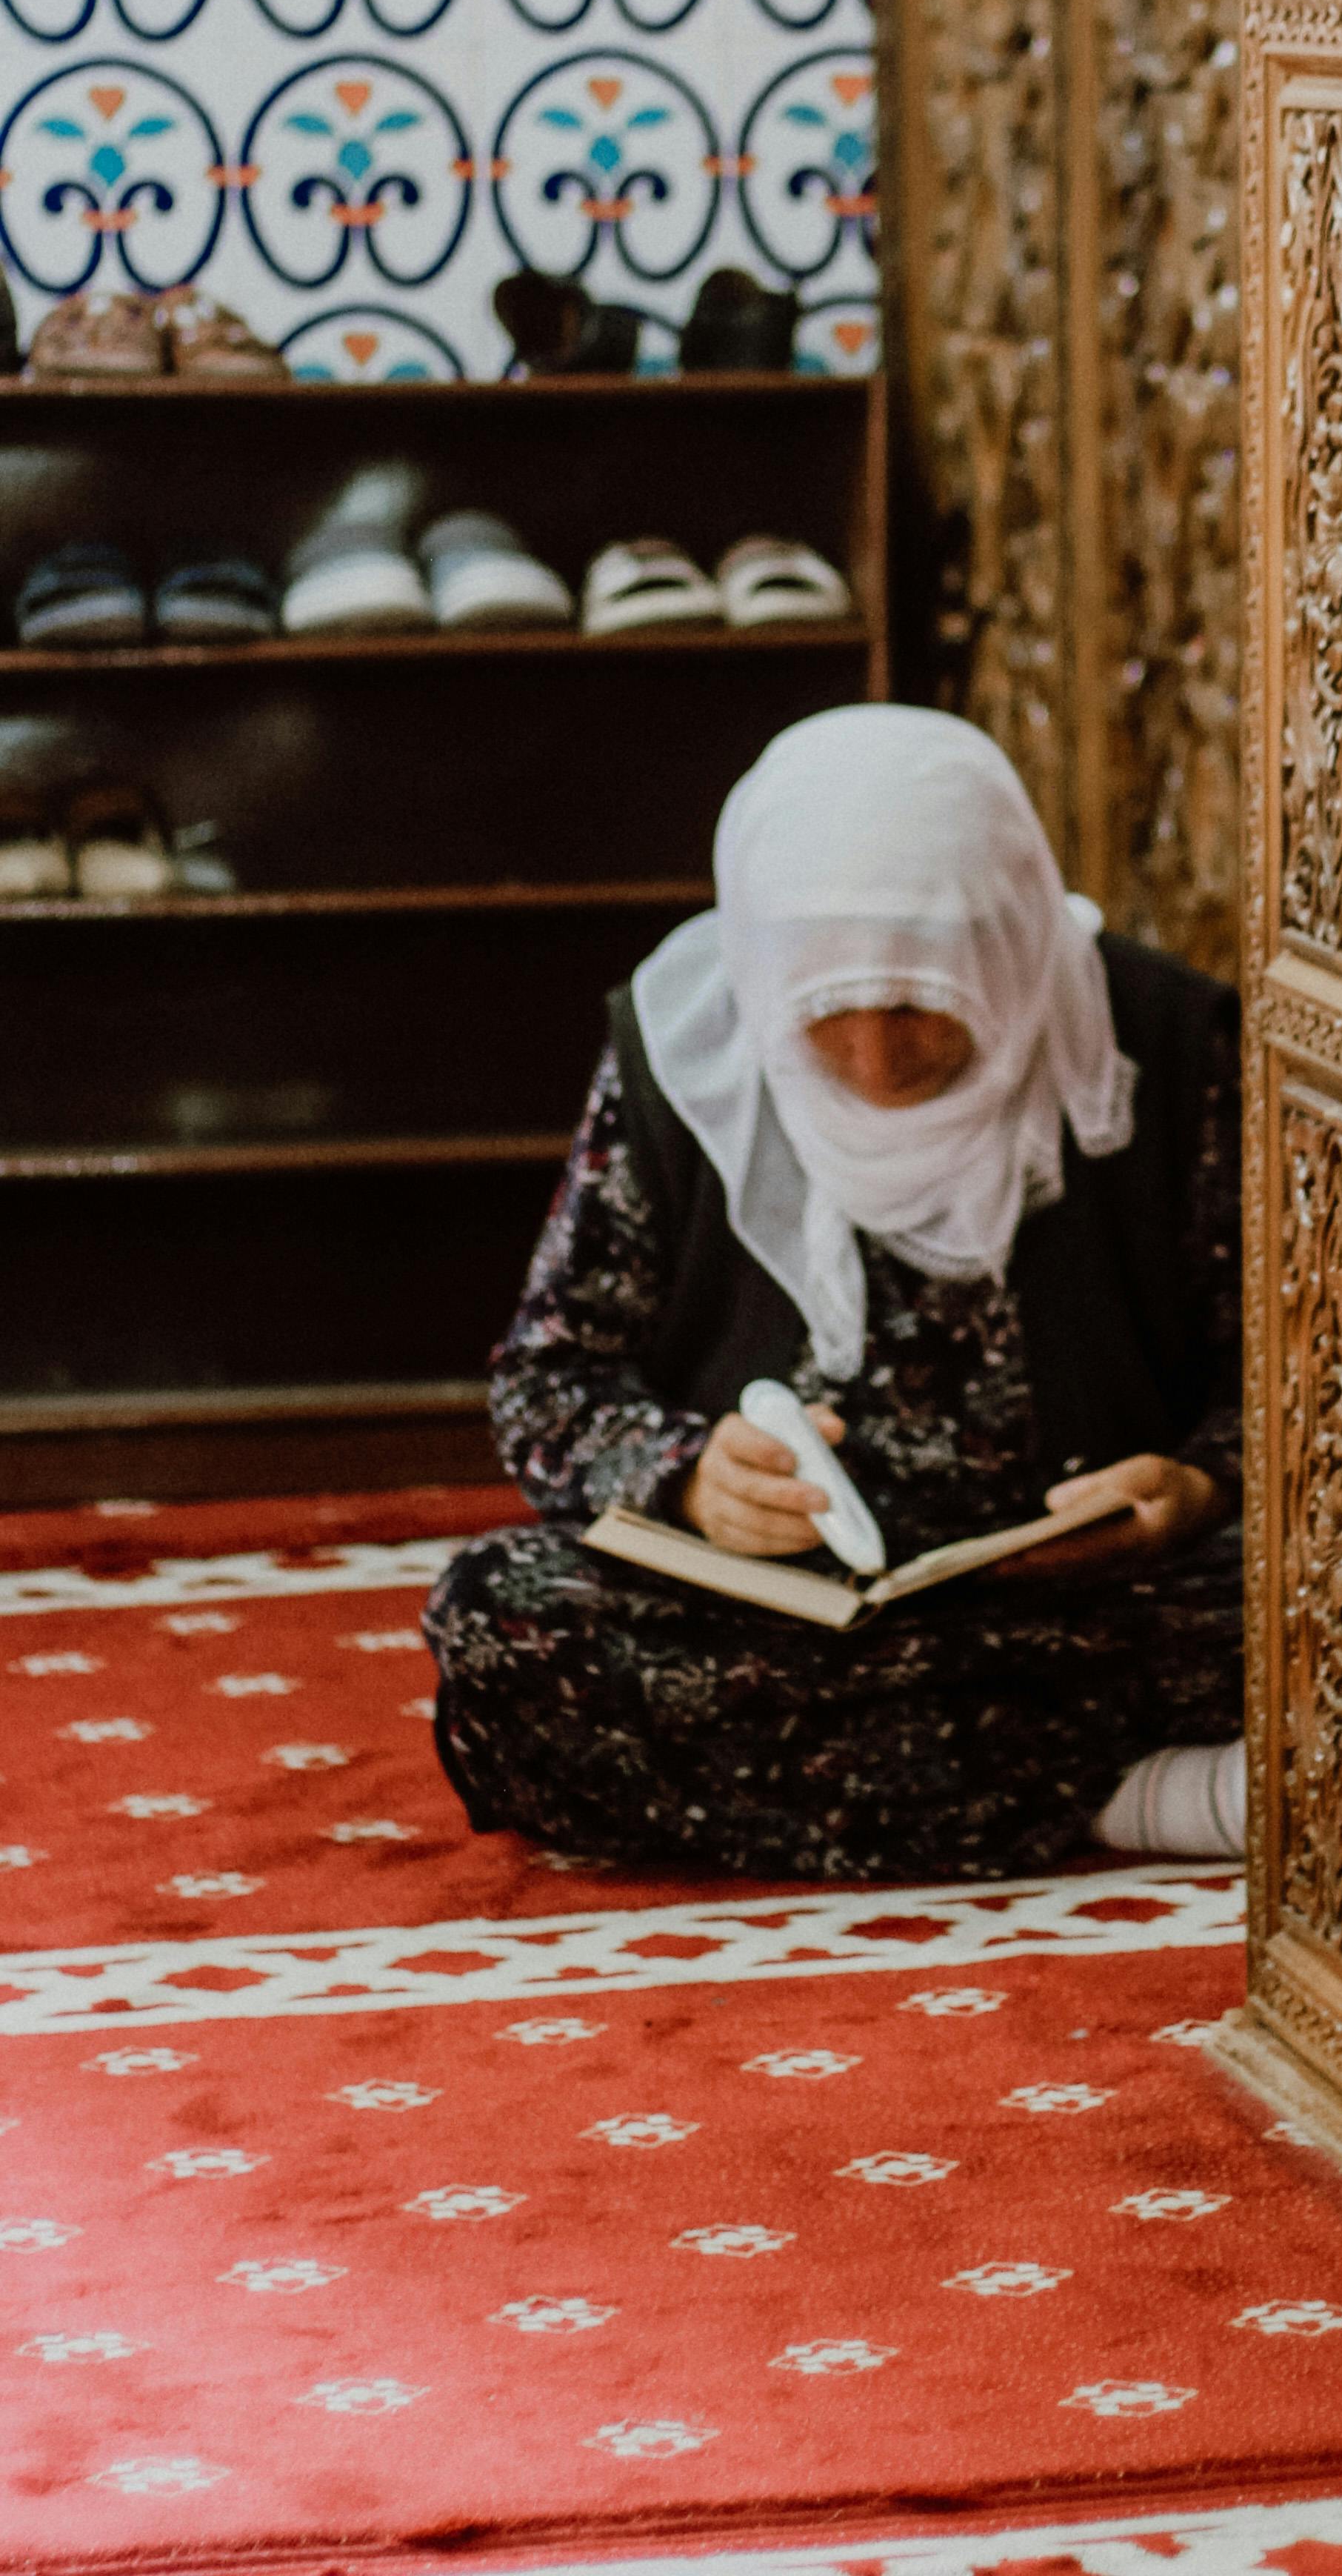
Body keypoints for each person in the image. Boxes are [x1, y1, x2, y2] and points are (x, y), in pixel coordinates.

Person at [422, 705, 1243, 1880]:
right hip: (777, 1612)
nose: (874, 1058)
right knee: (502, 1625)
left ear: (1005, 943)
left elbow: (1300, 1380)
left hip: (1095, 1602)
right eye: (823, 1010)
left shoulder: (1157, 1044)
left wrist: (1200, 1488)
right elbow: (547, 1385)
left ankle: (953, 1778)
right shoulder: (689, 1043)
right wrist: (689, 1478)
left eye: (919, 1004)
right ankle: (1130, 1796)